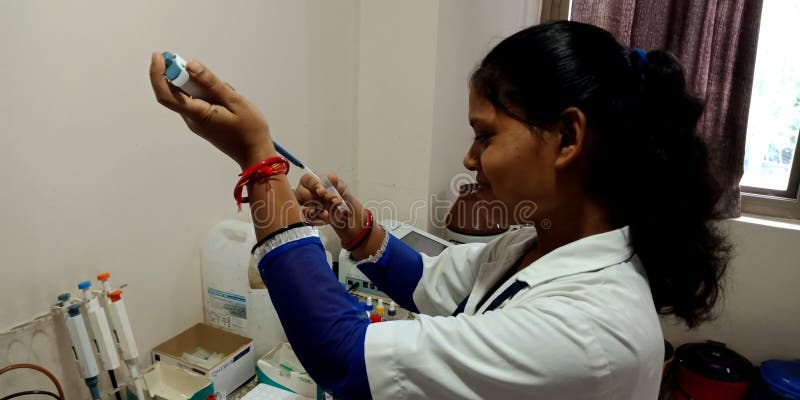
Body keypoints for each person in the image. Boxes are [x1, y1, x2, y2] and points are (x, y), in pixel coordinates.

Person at [149, 21, 730, 400]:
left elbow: (345, 356)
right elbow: (432, 280)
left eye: (485, 135)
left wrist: (259, 166)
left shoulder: (590, 332)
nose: (469, 158)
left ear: (568, 138)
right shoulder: (536, 242)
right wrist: (356, 227)